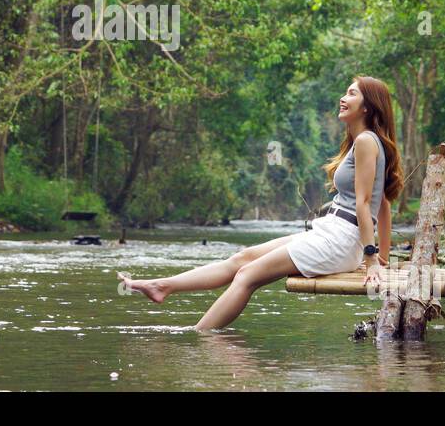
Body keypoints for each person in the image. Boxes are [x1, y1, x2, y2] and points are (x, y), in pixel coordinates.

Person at [117, 75, 405, 331]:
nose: (343, 98)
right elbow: (384, 203)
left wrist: (371, 260)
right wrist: (382, 255)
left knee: (247, 275)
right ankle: (162, 286)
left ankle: (201, 338)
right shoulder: (363, 141)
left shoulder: (367, 141)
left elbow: (367, 203)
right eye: (346, 92)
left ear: (368, 107)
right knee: (242, 258)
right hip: (332, 232)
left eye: (352, 93)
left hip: (342, 239)